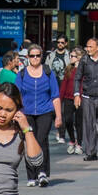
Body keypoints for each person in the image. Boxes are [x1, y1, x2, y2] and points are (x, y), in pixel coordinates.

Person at [15, 44, 61, 186]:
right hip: (27, 112)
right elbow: (16, 96)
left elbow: (55, 96)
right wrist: (16, 114)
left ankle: (42, 173)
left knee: (41, 140)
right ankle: (31, 175)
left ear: (42, 57)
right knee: (29, 141)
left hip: (45, 111)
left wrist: (58, 116)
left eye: (38, 55)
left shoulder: (48, 73)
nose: (35, 58)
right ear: (28, 57)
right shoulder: (21, 74)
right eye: (32, 56)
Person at [60, 48, 83, 154]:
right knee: (68, 120)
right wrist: (60, 99)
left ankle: (79, 144)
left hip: (80, 99)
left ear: (78, 57)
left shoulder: (84, 69)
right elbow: (64, 84)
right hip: (68, 98)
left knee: (79, 122)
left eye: (72, 56)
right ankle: (72, 140)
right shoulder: (69, 69)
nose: (70, 58)